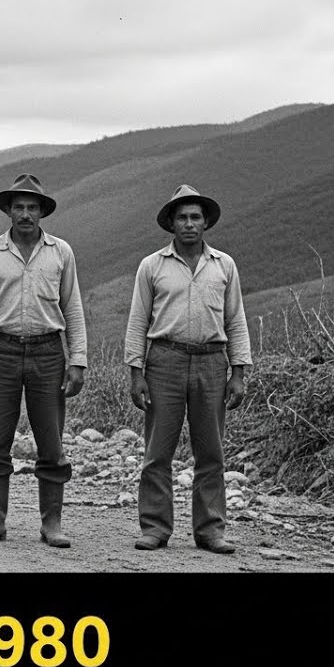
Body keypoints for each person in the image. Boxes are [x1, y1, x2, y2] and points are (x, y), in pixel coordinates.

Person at [125, 184, 250, 554]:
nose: (189, 223)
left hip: (212, 362)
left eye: (196, 217)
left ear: (206, 222)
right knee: (157, 452)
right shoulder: (152, 266)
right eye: (182, 217)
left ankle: (210, 531)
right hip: (164, 360)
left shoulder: (224, 265)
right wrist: (136, 371)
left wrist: (238, 372)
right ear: (171, 223)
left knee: (211, 452)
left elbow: (236, 320)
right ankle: (155, 528)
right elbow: (137, 321)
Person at [0, 173, 87, 548]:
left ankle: (51, 523)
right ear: (8, 210)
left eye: (32, 207)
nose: (25, 214)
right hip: (0, 350)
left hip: (48, 351)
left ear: (42, 212)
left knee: (50, 440)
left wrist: (78, 360)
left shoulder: (61, 252)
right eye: (18, 207)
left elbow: (73, 307)